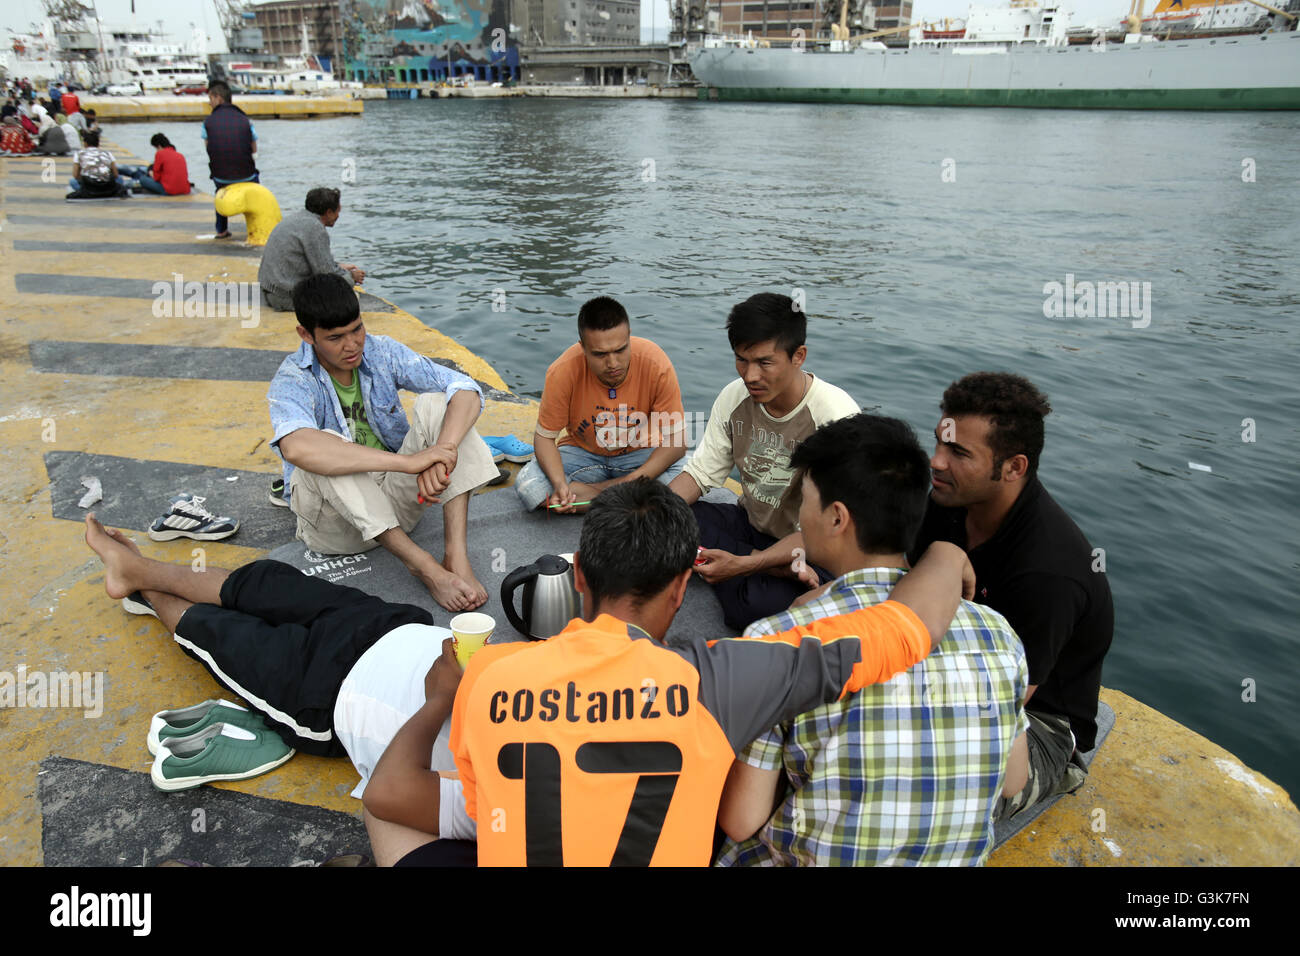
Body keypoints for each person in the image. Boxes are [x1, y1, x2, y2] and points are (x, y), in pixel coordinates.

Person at [366, 479, 976, 867]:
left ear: (580, 578)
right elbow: (904, 630)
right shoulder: (722, 678)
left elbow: (391, 794)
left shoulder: (491, 677)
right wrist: (946, 554)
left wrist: (438, 700)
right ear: (683, 586)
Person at [715, 414, 1029, 866]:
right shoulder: (999, 632)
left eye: (805, 501)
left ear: (837, 517)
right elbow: (1014, 781)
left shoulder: (779, 639)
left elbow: (741, 820)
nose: (800, 515)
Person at [78, 511, 471, 855]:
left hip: (335, 694)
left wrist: (439, 700)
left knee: (220, 633)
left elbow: (388, 795)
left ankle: (137, 580)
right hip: (395, 627)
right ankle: (139, 569)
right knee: (266, 582)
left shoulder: (516, 804)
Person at [908, 372, 1114, 821]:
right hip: (957, 661)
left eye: (959, 452)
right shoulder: (949, 503)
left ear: (1014, 467)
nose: (936, 462)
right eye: (940, 443)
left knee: (912, 784)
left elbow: (1007, 699)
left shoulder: (1048, 571)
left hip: (1036, 722)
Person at [268, 273, 498, 612]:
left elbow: (466, 389)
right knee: (326, 445)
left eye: (357, 329)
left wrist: (442, 452)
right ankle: (423, 565)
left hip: (394, 504)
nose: (352, 345)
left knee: (439, 402)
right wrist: (410, 463)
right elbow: (297, 448)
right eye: (335, 338)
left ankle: (456, 554)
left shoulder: (380, 352)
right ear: (306, 335)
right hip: (338, 529)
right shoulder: (293, 379)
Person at [667, 292, 860, 632]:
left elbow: (832, 526)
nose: (750, 375)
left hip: (813, 547)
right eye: (742, 360)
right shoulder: (734, 397)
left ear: (798, 356)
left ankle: (746, 566)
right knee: (669, 519)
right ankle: (769, 569)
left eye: (764, 363)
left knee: (750, 608)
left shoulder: (835, 417)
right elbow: (700, 474)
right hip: (752, 525)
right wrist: (648, 512)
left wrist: (743, 564)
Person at [514, 296, 686, 513]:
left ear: (629, 339)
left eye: (620, 350)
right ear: (583, 348)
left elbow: (677, 441)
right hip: (582, 454)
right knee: (529, 484)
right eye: (600, 354)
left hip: (640, 455)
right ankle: (629, 501)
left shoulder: (656, 362)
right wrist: (559, 484)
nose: (613, 363)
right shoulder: (563, 370)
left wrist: (633, 479)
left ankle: (595, 497)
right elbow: (545, 438)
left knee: (685, 477)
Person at [258, 187, 366, 311]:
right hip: (285, 296)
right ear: (329, 212)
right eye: (337, 212)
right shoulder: (315, 228)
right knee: (344, 298)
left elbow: (314, 261)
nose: (338, 216)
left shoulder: (298, 218)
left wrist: (339, 267)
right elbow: (325, 274)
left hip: (271, 288)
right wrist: (351, 277)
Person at [203, 80, 258, 239]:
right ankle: (254, 226)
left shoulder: (208, 122)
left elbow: (209, 149)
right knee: (254, 192)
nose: (209, 102)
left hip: (221, 177)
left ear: (218, 97)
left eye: (210, 98)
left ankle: (221, 229)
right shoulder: (245, 120)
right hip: (247, 174)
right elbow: (253, 145)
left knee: (219, 192)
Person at [117, 133, 191, 195]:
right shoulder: (180, 155)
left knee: (142, 179)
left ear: (158, 146)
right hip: (185, 190)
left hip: (169, 191)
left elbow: (156, 177)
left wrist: (150, 172)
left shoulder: (160, 154)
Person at [67, 129, 124, 196]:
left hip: (89, 187)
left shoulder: (79, 154)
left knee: (72, 181)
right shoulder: (107, 153)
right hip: (108, 186)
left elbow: (75, 175)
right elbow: (116, 174)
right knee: (119, 179)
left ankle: (84, 190)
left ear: (85, 143)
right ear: (98, 143)